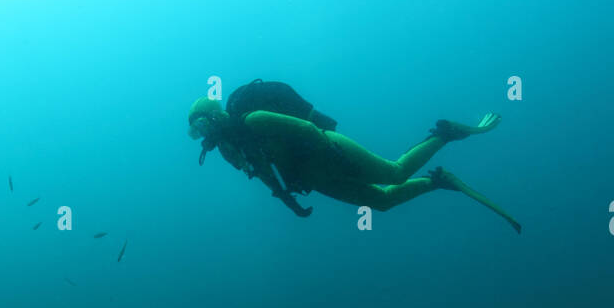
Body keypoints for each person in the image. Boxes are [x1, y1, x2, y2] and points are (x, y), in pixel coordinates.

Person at [188, 79, 521, 232]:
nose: (203, 136)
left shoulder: (253, 119)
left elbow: (308, 129)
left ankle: (445, 134)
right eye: (196, 133)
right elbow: (263, 175)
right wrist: (289, 202)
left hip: (329, 151)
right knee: (383, 201)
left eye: (201, 126)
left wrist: (337, 158)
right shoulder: (231, 150)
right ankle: (438, 181)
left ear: (214, 115)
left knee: (394, 173)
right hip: (314, 178)